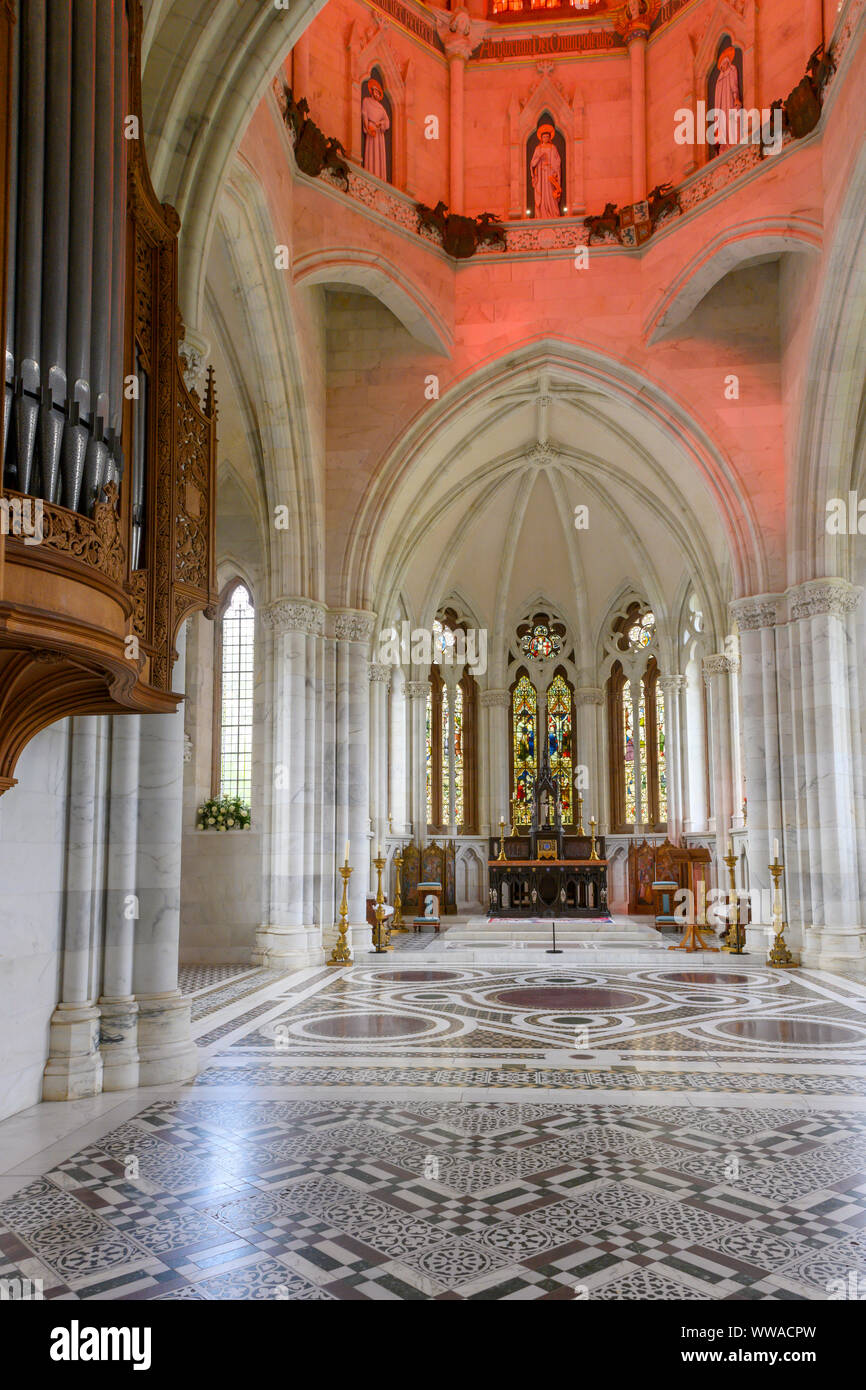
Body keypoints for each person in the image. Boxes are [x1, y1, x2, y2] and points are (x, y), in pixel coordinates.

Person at [713, 46, 742, 153]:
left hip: (729, 101)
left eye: (725, 63)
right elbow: (717, 99)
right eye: (722, 64)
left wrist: (736, 97)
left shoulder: (732, 70)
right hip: (722, 107)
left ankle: (732, 140)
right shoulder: (719, 80)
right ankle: (724, 144)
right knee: (723, 122)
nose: (724, 66)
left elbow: (734, 85)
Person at [530, 124, 562, 219]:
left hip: (550, 174)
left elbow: (557, 161)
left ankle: (553, 211)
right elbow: (532, 163)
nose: (546, 138)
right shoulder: (538, 149)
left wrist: (554, 170)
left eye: (547, 137)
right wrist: (539, 158)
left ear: (549, 137)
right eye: (544, 137)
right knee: (542, 193)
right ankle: (542, 212)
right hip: (541, 175)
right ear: (541, 138)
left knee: (551, 193)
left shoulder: (553, 148)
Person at [362, 78, 390, 181]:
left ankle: (380, 175)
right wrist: (367, 127)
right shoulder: (366, 101)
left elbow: (387, 122)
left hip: (378, 132)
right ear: (372, 91)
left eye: (378, 92)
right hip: (371, 128)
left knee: (379, 154)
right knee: (371, 151)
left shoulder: (381, 108)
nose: (377, 93)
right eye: (375, 91)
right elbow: (364, 114)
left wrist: (380, 124)